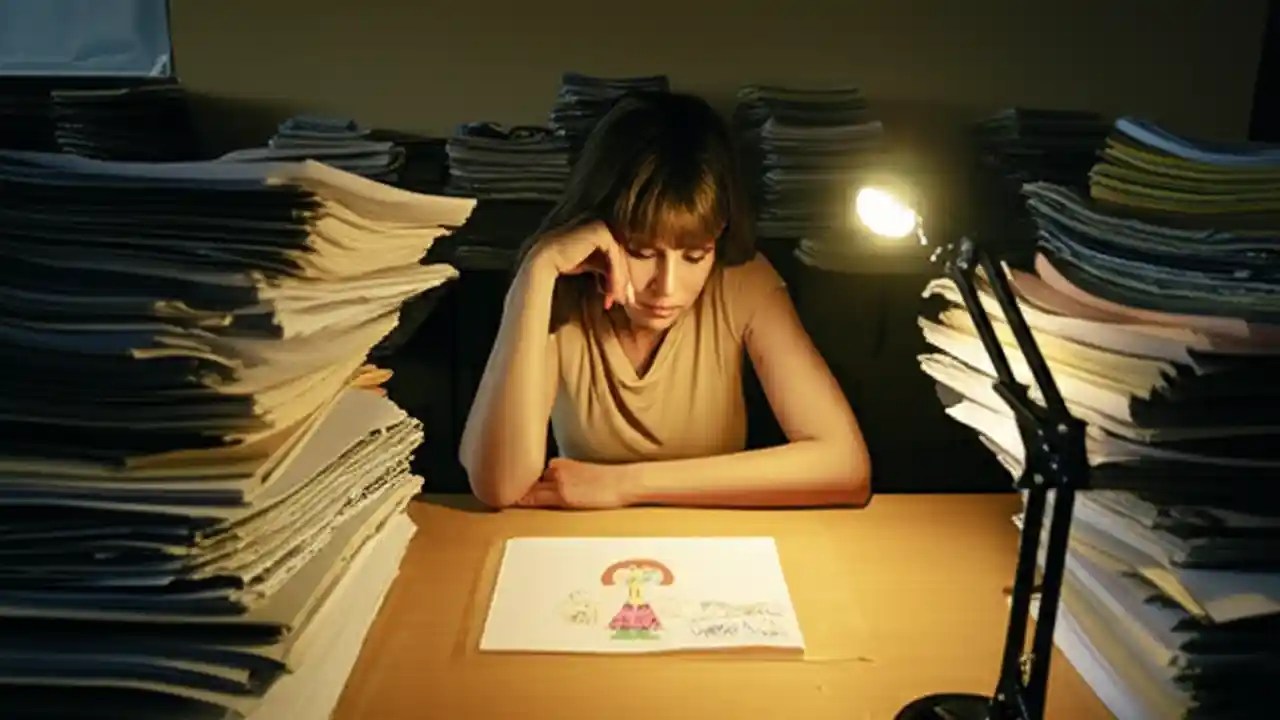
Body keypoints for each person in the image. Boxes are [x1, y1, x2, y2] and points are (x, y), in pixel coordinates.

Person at [459, 92, 871, 510]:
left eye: (695, 255)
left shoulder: (742, 282)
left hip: (714, 542)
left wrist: (625, 485)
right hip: (585, 546)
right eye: (640, 251)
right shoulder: (560, 291)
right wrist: (538, 267)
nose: (667, 287)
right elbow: (498, 486)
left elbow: (845, 466)